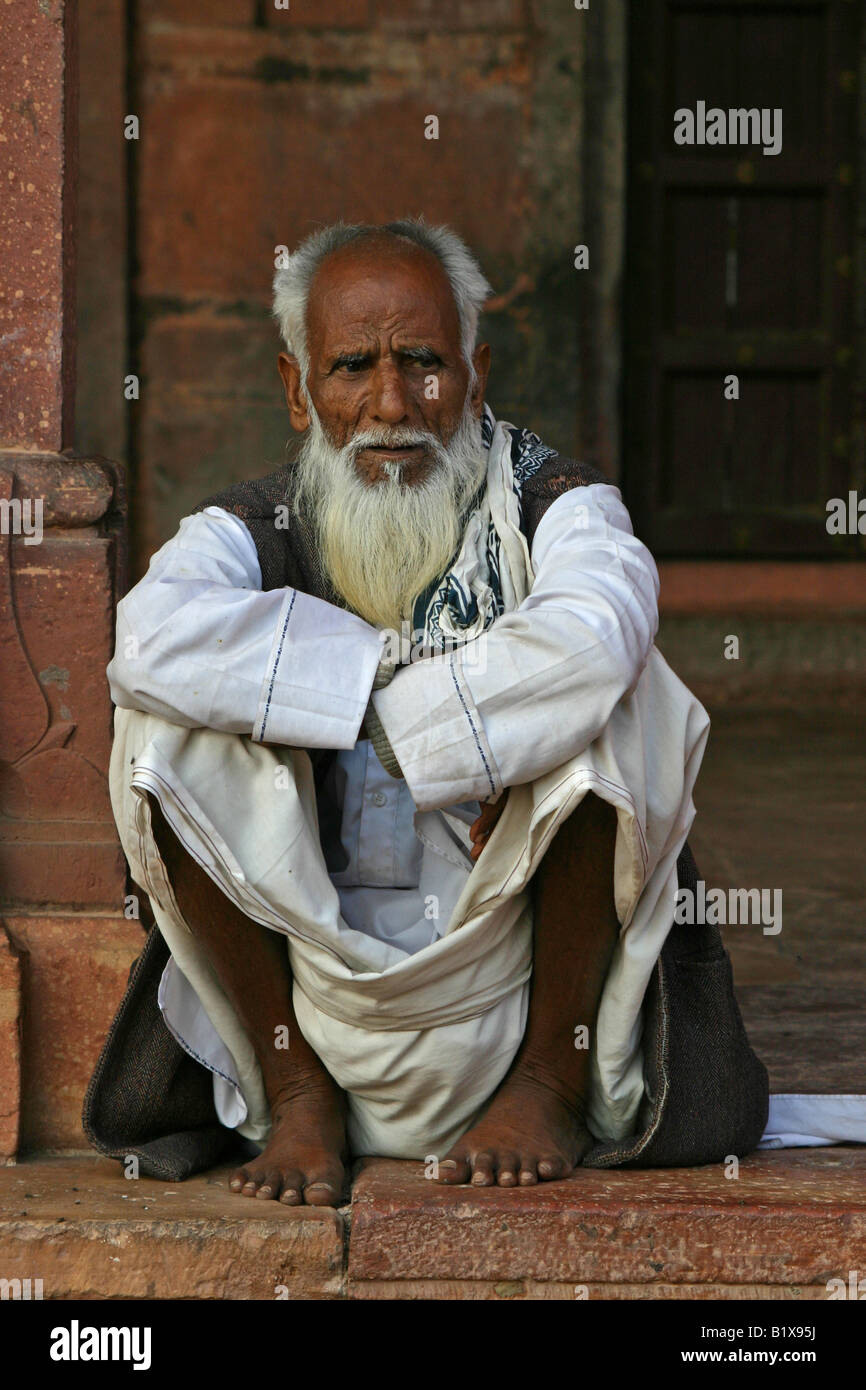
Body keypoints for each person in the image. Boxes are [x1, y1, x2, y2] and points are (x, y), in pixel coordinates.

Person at [83, 218, 769, 1204]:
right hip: (314, 1005)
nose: (391, 403)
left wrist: (462, 733)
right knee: (160, 726)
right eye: (352, 366)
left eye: (422, 363)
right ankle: (293, 1094)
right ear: (294, 388)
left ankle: (551, 1085)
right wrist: (399, 704)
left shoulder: (554, 502)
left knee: (625, 695)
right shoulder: (253, 524)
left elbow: (599, 623)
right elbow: (146, 641)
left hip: (526, 999)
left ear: (475, 374)